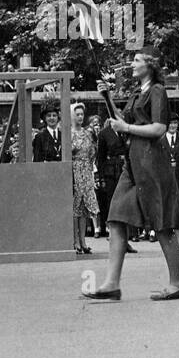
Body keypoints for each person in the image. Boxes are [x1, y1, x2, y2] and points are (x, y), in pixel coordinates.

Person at [83, 48, 179, 301]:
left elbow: (159, 128)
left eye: (137, 60)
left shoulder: (157, 91)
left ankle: (177, 284)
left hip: (152, 161)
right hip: (133, 162)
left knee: (161, 222)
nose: (132, 64)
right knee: (116, 217)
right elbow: (120, 120)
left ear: (150, 65)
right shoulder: (136, 93)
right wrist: (107, 98)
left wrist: (126, 126)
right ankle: (111, 283)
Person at [70, 102, 98, 254]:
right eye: (77, 114)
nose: (80, 117)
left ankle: (83, 240)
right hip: (74, 171)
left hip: (87, 170)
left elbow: (93, 152)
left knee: (85, 207)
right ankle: (75, 241)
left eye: (82, 114)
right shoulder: (67, 133)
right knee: (75, 206)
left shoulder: (88, 133)